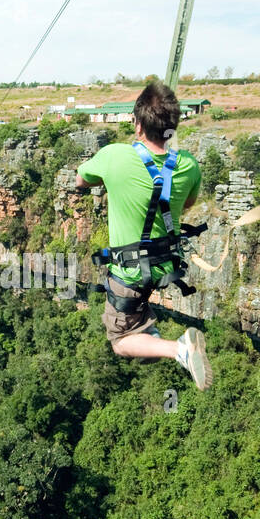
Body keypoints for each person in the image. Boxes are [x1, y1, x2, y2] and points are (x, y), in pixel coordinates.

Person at [76, 80, 212, 389]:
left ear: (138, 125)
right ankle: (154, 337)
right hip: (166, 267)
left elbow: (80, 181)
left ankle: (179, 350)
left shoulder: (114, 157)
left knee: (121, 341)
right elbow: (186, 204)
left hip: (130, 274)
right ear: (173, 128)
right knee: (141, 324)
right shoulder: (189, 166)